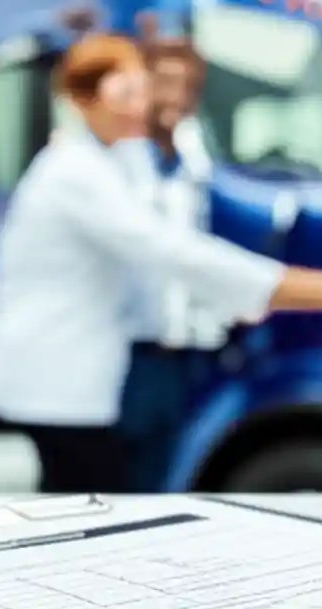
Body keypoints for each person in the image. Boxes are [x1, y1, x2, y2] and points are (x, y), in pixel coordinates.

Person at [0, 35, 322, 494]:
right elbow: (175, 252)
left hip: (94, 375)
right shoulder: (76, 174)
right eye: (127, 94)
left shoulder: (124, 161)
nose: (142, 106)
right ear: (83, 99)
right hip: (58, 376)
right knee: (93, 502)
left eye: (142, 91)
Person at [115, 40, 225, 492]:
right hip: (126, 356)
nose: (176, 98)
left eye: (188, 87)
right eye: (165, 84)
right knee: (117, 482)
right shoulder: (115, 165)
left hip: (177, 356)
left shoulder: (191, 170)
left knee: (164, 480)